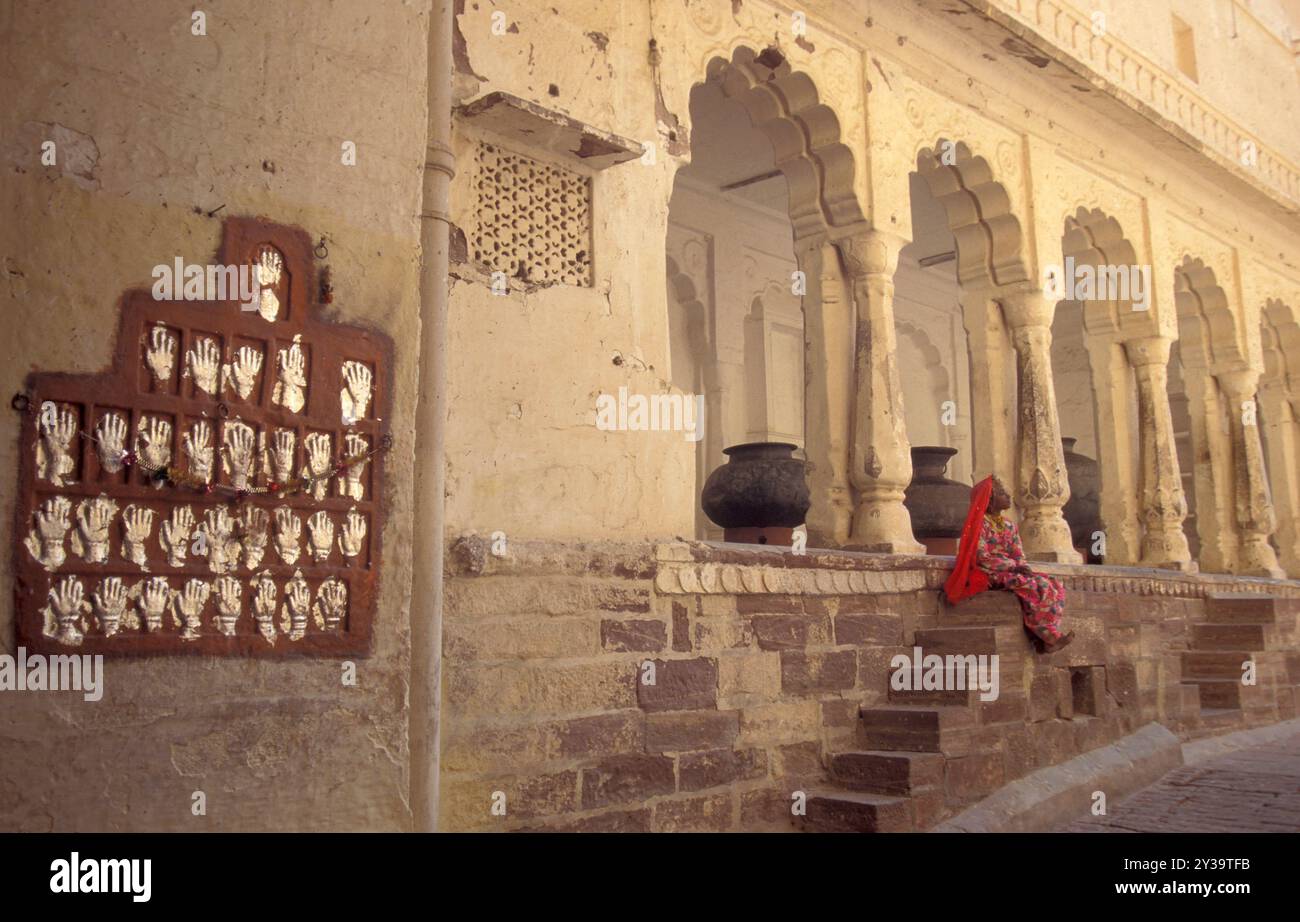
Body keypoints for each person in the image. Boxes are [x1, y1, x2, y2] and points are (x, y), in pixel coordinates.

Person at [943, 475, 1075, 653]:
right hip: (991, 572)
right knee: (1037, 586)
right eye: (1002, 493)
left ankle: (1049, 635)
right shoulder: (980, 524)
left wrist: (1023, 567)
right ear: (990, 500)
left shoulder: (1009, 526)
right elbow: (981, 556)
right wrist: (1012, 566)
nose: (1008, 496)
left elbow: (1018, 553)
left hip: (1012, 570)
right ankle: (1048, 636)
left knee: (1054, 585)